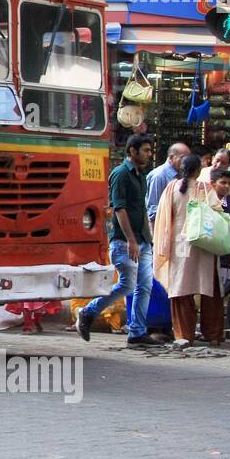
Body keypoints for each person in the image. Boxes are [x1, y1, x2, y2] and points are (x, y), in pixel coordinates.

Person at [76, 133, 157, 346]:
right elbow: (119, 209)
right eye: (146, 150)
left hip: (142, 240)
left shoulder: (140, 175)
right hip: (124, 240)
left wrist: (146, 239)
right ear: (132, 151)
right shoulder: (121, 174)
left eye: (150, 150)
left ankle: (137, 332)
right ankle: (87, 312)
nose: (149, 154)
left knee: (144, 286)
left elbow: (141, 209)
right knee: (127, 285)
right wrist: (130, 240)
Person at [151, 154, 225, 346]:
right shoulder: (205, 188)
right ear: (199, 171)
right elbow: (218, 214)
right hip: (203, 248)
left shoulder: (171, 189)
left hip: (179, 248)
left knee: (180, 292)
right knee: (210, 290)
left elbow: (163, 220)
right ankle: (212, 334)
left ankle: (183, 335)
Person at [146, 142, 190, 228]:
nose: (186, 162)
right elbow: (153, 210)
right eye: (183, 158)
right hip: (161, 227)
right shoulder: (159, 176)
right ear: (171, 157)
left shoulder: (181, 174)